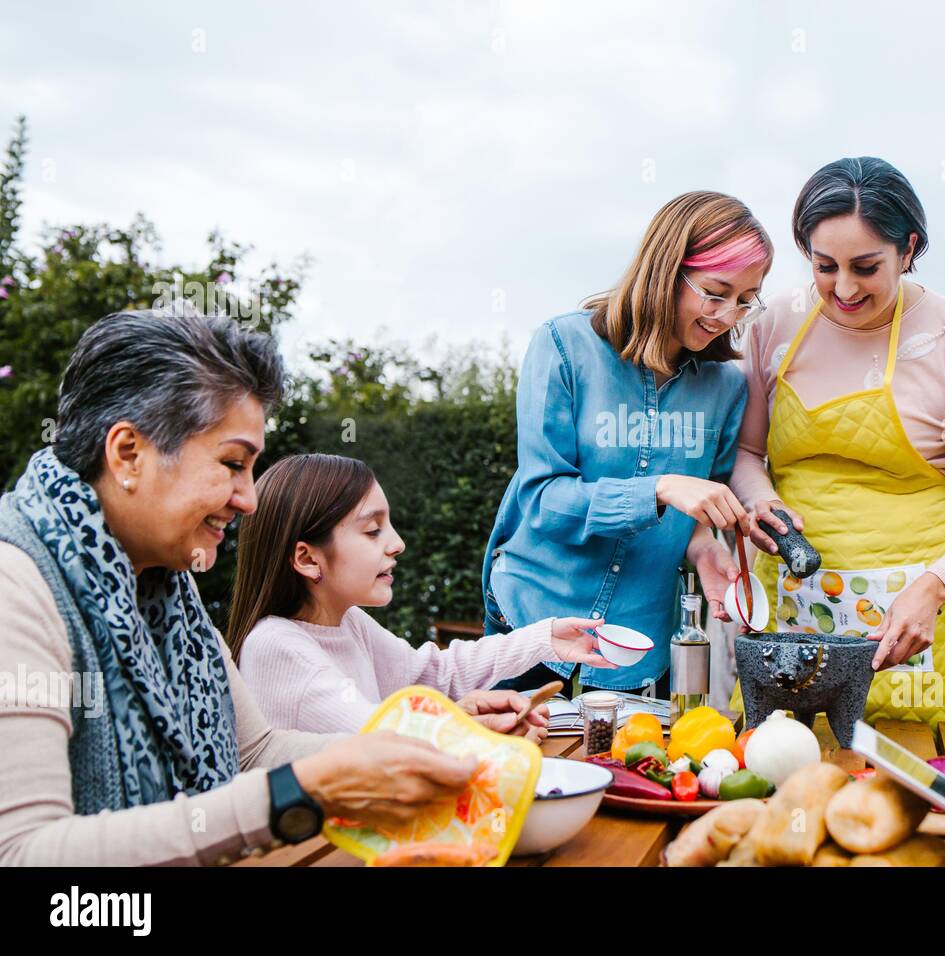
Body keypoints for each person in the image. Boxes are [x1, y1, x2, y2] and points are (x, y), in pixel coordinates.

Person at [0, 310, 480, 865]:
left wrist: (434, 745)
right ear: (128, 453)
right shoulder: (19, 588)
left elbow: (255, 751)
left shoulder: (167, 590)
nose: (248, 499)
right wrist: (297, 795)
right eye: (232, 463)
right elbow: (23, 853)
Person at [730, 157, 945, 727]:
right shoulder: (774, 325)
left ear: (908, 248)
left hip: (928, 620)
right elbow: (745, 455)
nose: (843, 288)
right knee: (778, 789)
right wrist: (761, 503)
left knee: (927, 795)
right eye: (824, 266)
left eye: (866, 267)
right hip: (795, 610)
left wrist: (936, 587)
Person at [482, 191, 770, 697]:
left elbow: (699, 511)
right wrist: (656, 488)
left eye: (746, 300)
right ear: (666, 270)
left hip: (638, 649)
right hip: (533, 625)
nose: (728, 315)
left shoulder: (726, 387)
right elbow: (543, 502)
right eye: (715, 292)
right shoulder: (562, 347)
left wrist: (704, 550)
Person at [229, 453, 612, 735]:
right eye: (372, 530)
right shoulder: (276, 648)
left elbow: (431, 675)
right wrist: (467, 725)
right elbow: (380, 738)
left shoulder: (348, 622)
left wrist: (543, 639)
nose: (397, 544)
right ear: (307, 559)